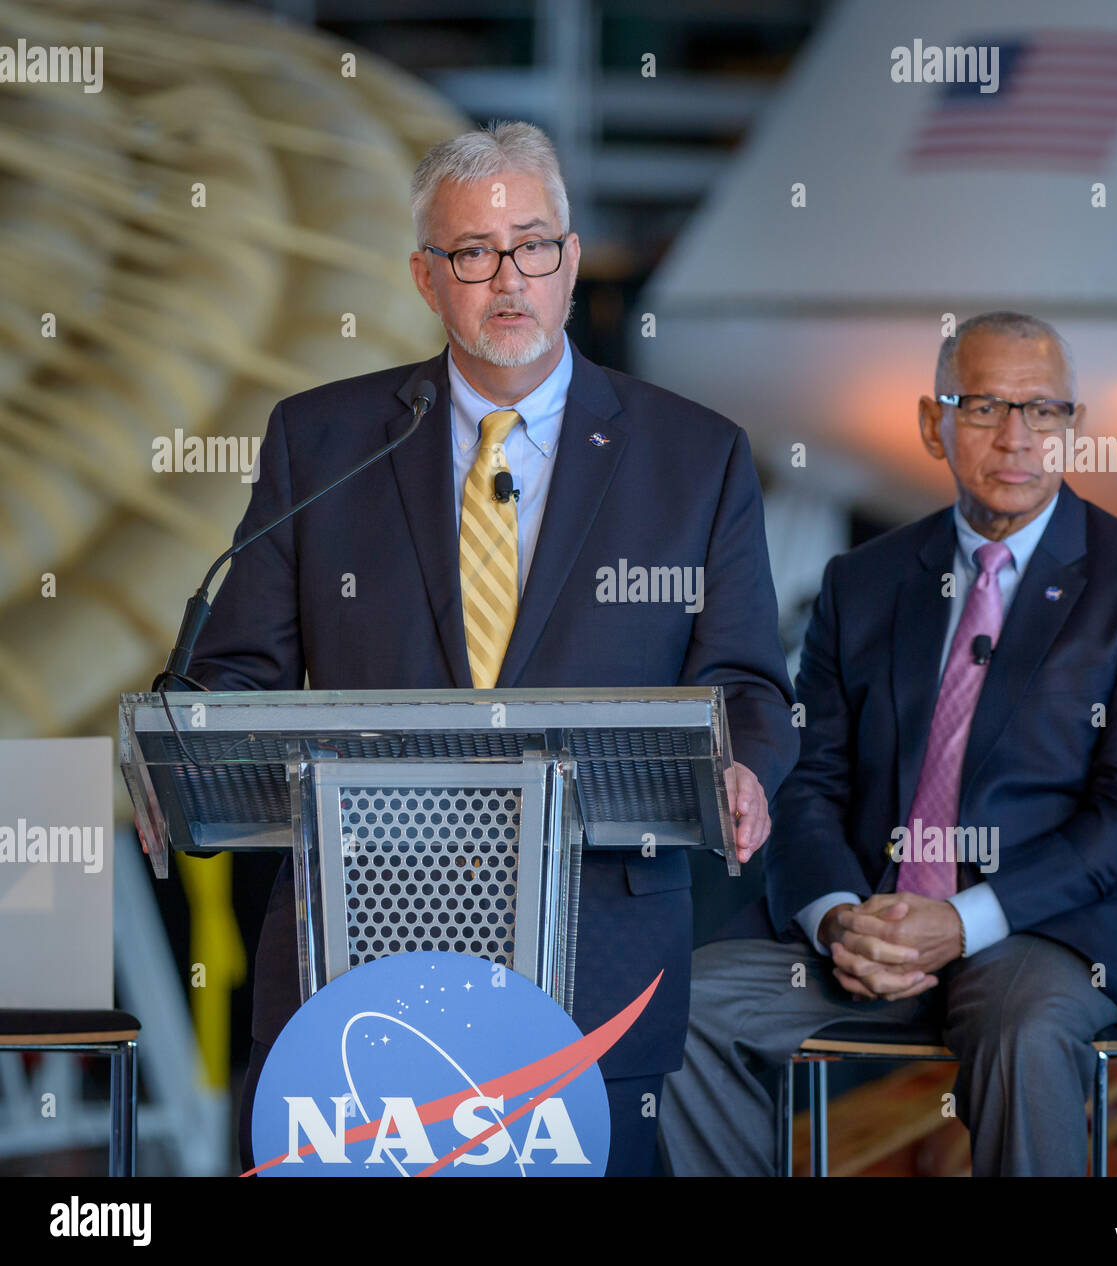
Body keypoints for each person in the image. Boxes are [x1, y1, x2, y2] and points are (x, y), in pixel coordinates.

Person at [185, 121, 798, 1176]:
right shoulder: (322, 440)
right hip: (359, 952)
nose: (507, 277)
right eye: (472, 252)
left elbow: (742, 678)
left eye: (535, 245)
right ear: (427, 278)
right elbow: (239, 670)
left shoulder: (694, 455)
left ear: (570, 257)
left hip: (596, 953)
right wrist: (191, 741)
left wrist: (741, 765)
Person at [659, 312, 1117, 1176]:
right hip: (866, 930)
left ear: (1075, 426)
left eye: (1045, 411)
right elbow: (809, 784)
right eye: (984, 406)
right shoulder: (864, 581)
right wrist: (839, 917)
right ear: (932, 422)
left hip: (1043, 935)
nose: (1017, 438)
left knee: (1025, 1032)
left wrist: (961, 922)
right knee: (679, 1010)